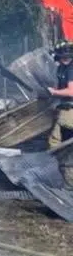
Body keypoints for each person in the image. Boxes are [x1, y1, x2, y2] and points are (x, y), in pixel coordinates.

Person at [47, 44, 73, 181]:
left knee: (58, 141)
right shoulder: (61, 68)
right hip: (64, 107)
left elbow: (71, 91)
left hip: (70, 109)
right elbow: (61, 88)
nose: (64, 59)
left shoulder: (71, 69)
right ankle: (60, 174)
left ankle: (65, 178)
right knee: (57, 140)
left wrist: (54, 92)